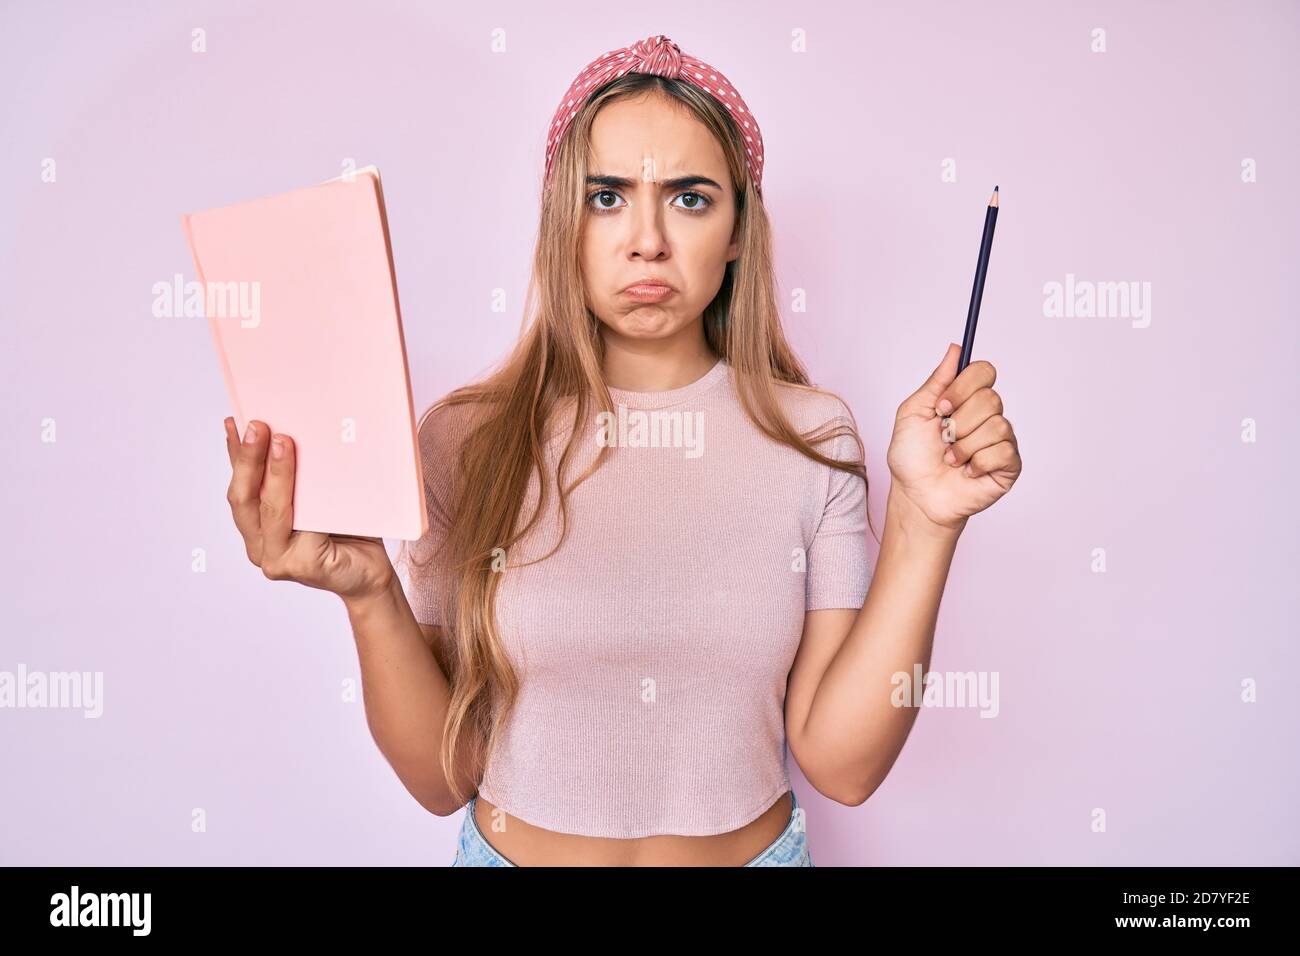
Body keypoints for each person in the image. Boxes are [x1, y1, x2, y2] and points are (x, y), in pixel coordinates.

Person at [220, 34, 1022, 867]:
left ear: (740, 228)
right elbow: (440, 778)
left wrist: (928, 524)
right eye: (607, 197)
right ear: (562, 218)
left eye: (690, 199)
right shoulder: (465, 441)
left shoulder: (813, 438)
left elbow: (842, 765)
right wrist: (369, 592)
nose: (647, 241)